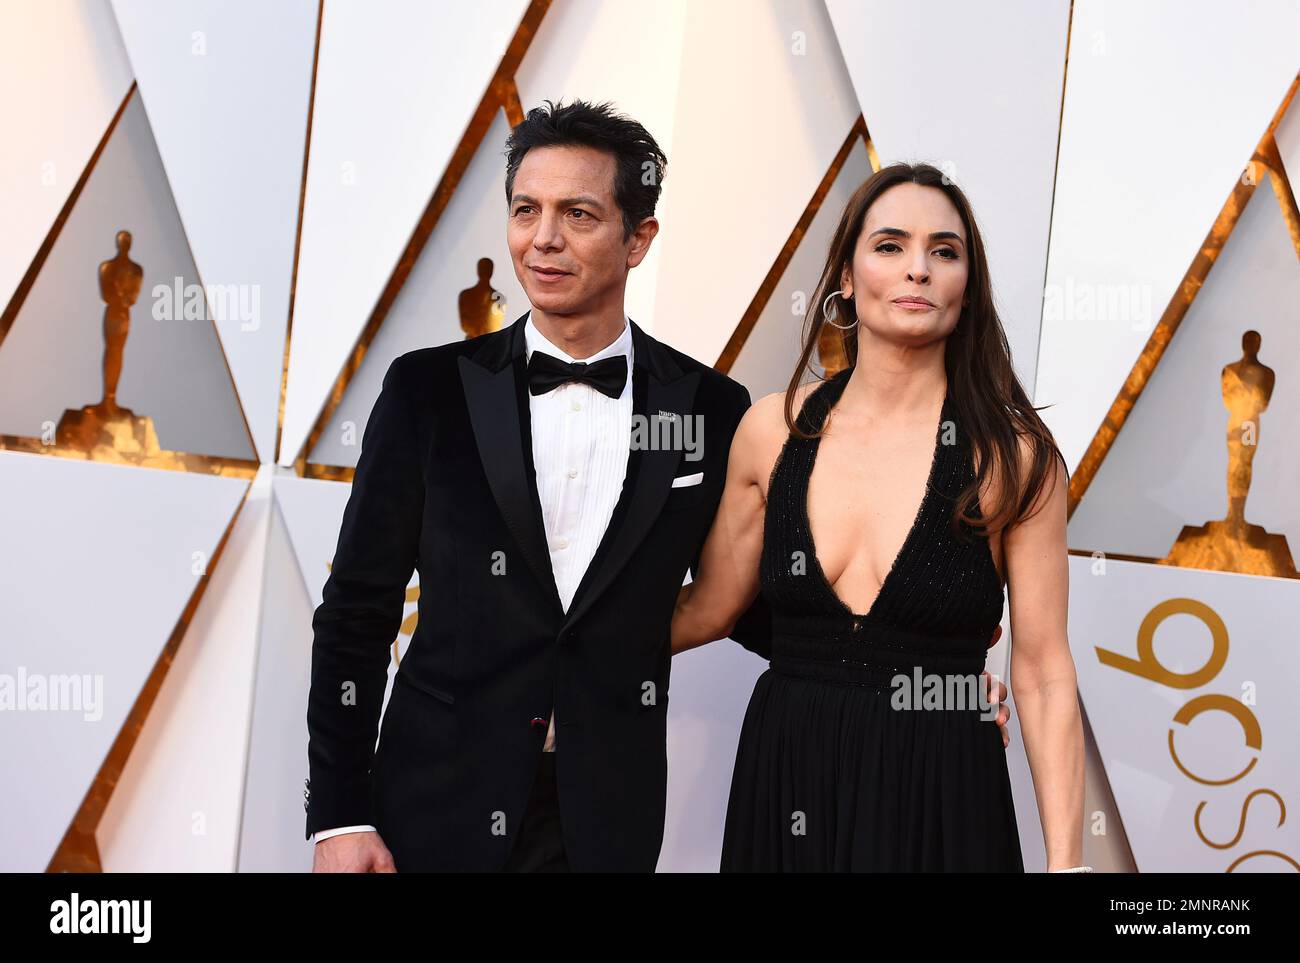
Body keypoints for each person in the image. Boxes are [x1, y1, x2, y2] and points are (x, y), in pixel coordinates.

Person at [672, 162, 1088, 872]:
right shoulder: (771, 429)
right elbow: (709, 608)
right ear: (845, 275)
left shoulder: (1014, 458)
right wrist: (559, 647)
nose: (917, 270)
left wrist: (1067, 864)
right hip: (788, 777)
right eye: (890, 246)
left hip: (943, 792)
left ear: (968, 286)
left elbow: (1045, 671)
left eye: (944, 251)